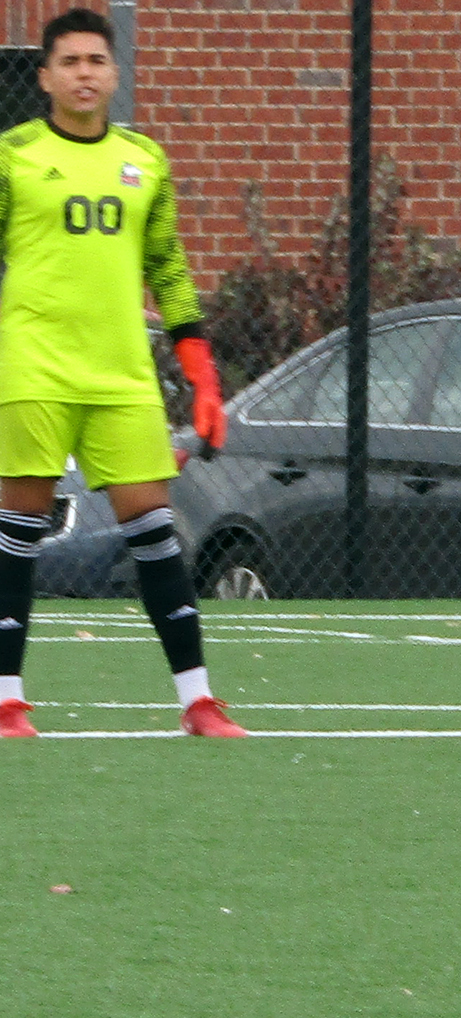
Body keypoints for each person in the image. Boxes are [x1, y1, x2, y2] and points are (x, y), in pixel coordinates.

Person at [0, 8, 245, 738]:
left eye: (95, 61)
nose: (83, 73)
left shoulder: (145, 160)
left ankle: (198, 702)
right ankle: (7, 700)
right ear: (44, 76)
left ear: (114, 72)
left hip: (122, 377)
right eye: (69, 61)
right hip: (34, 369)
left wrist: (200, 373)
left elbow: (167, 268)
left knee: (156, 531)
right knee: (19, 529)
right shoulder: (13, 154)